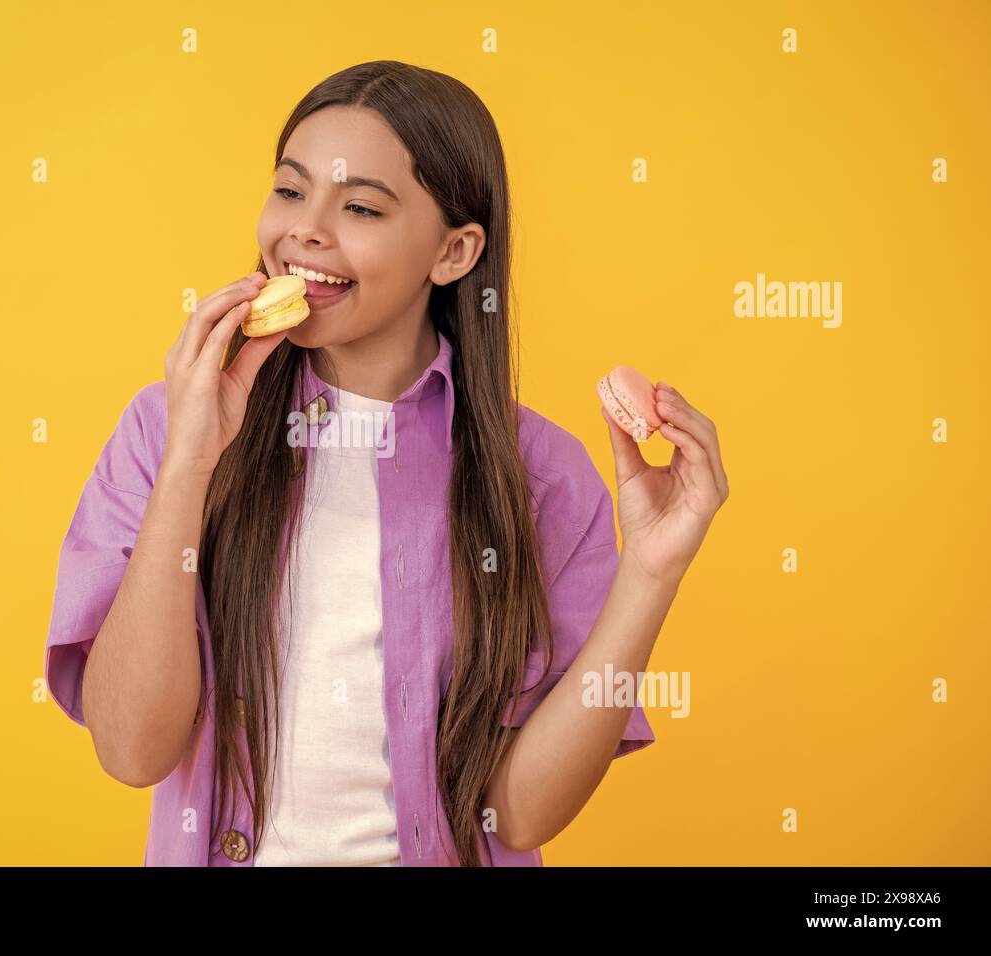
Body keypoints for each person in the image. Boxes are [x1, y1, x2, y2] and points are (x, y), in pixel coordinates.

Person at [43, 60, 729, 866]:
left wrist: (651, 573)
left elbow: (518, 817)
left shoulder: (541, 475)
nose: (305, 231)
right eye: (290, 191)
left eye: (361, 206)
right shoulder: (164, 428)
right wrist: (191, 463)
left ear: (454, 251)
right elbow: (131, 751)